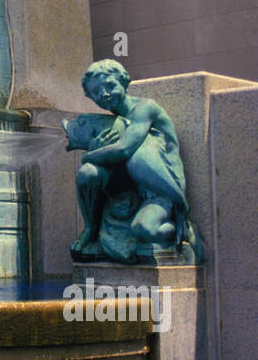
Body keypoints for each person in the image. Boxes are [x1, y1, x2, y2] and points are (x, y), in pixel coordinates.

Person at [72, 59, 203, 261]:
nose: (104, 95)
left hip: (160, 188)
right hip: (131, 184)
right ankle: (91, 228)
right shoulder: (113, 122)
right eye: (96, 92)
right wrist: (95, 151)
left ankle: (181, 229)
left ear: (124, 82)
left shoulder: (145, 108)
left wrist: (89, 154)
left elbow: (124, 149)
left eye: (110, 86)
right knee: (87, 173)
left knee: (143, 229)